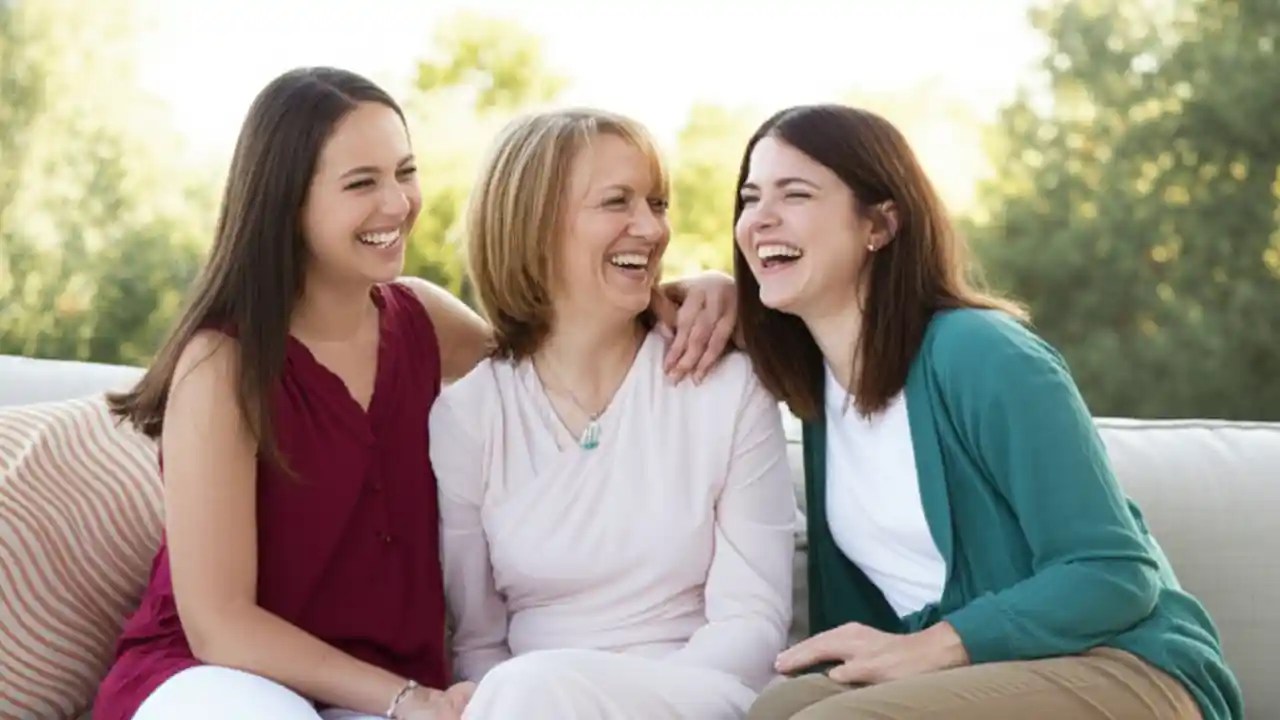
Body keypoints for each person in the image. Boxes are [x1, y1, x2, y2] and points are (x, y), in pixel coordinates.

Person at [91, 68, 739, 720]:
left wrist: (693, 290)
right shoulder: (222, 365)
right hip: (216, 681)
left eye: (405, 172)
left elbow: (562, 359)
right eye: (361, 183)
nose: (398, 203)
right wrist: (408, 699)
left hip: (383, 694)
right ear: (287, 202)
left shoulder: (421, 322)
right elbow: (220, 626)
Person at [731, 104, 1243, 720]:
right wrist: (704, 289)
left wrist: (934, 646)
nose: (759, 219)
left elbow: (1113, 572)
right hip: (981, 676)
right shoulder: (815, 388)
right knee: (774, 710)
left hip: (1124, 666)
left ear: (881, 224)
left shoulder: (980, 353)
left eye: (796, 194)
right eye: (750, 197)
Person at [427, 108, 797, 720]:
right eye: (617, 202)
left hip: (699, 694)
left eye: (657, 203)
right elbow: (479, 643)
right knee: (528, 689)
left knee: (536, 688)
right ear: (535, 224)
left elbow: (753, 623)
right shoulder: (469, 415)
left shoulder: (727, 387)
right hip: (525, 703)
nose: (650, 229)